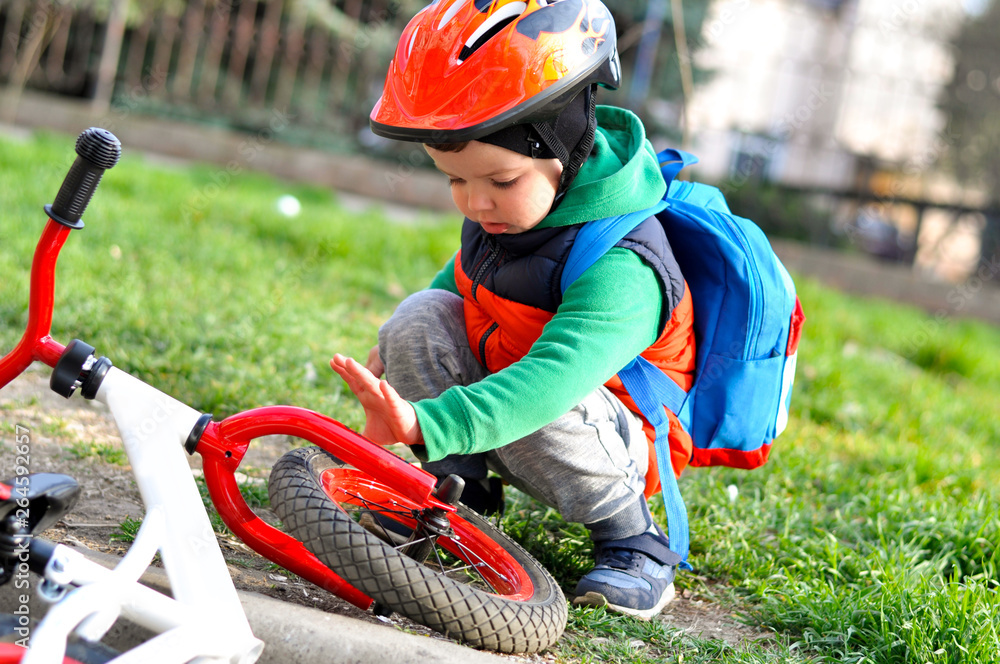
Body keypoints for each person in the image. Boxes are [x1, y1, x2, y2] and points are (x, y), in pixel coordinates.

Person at [330, 0, 696, 620]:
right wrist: (398, 346)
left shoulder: (623, 266)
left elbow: (549, 382)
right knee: (420, 312)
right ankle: (459, 488)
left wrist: (427, 424)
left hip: (607, 431)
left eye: (499, 181)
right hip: (518, 394)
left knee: (541, 398)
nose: (475, 203)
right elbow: (464, 280)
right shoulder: (509, 213)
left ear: (565, 143)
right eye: (455, 180)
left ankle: (634, 540)